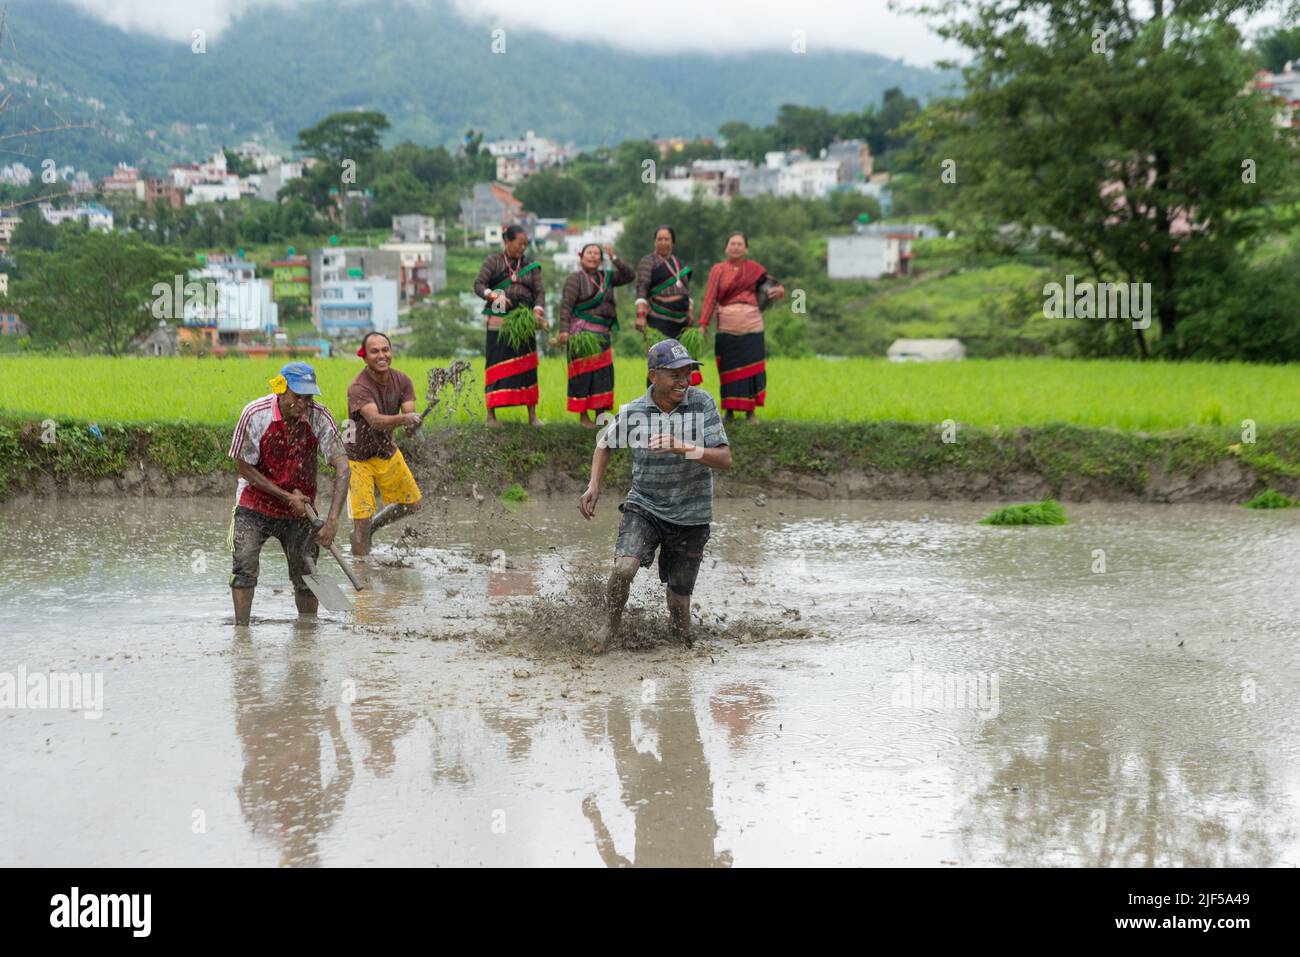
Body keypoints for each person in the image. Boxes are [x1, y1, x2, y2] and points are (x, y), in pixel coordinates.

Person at [578, 338, 731, 653]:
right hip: (645, 506)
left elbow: (725, 459)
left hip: (692, 515)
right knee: (623, 569)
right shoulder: (635, 412)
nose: (683, 381)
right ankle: (611, 624)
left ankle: (681, 654)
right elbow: (604, 444)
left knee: (678, 605)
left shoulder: (702, 404)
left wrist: (682, 447)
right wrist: (594, 485)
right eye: (674, 374)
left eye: (687, 372)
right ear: (653, 376)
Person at [228, 361, 349, 625]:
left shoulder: (320, 417)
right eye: (297, 397)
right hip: (255, 503)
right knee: (244, 567)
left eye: (308, 398)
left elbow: (343, 467)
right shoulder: (255, 414)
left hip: (301, 508)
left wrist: (331, 521)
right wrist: (285, 497)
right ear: (281, 389)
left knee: (306, 575)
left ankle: (307, 634)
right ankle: (242, 632)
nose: (303, 405)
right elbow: (244, 467)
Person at [345, 331, 424, 557]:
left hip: (386, 452)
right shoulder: (358, 387)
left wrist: (411, 426)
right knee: (361, 524)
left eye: (385, 350)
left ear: (391, 352)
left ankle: (374, 527)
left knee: (412, 504)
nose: (382, 355)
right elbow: (375, 421)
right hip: (357, 459)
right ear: (365, 357)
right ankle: (363, 579)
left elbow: (409, 412)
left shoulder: (403, 381)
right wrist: (404, 420)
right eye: (375, 351)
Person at [698, 231, 784, 422]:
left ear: (746, 248)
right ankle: (729, 411)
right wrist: (703, 324)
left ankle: (750, 412)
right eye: (732, 244)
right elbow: (710, 298)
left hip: (752, 325)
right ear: (726, 247)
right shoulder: (718, 270)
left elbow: (774, 286)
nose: (736, 247)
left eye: (739, 244)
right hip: (727, 326)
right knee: (728, 368)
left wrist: (779, 291)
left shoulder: (755, 269)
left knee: (752, 369)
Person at [474, 224, 548, 427]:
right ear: (507, 242)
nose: (523, 248)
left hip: (524, 320)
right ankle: (491, 417)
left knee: (527, 365)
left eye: (526, 244)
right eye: (519, 243)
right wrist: (493, 294)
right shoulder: (493, 261)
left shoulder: (531, 265)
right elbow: (479, 285)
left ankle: (532, 416)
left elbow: (539, 292)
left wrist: (537, 310)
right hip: (498, 316)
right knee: (496, 365)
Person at [558, 243, 635, 427]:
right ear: (581, 256)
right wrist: (563, 330)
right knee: (582, 375)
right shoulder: (574, 279)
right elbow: (566, 306)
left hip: (602, 334)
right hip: (580, 334)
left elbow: (630, 275)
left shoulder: (607, 277)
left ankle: (601, 414)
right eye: (589, 253)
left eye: (596, 254)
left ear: (601, 259)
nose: (592, 256)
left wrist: (614, 258)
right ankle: (583, 416)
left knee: (603, 375)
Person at [635, 225, 701, 387]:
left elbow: (687, 290)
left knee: (683, 362)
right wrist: (640, 315)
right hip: (659, 319)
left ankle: (683, 404)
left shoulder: (679, 264)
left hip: (682, 321)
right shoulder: (648, 261)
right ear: (654, 242)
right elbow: (642, 287)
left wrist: (690, 312)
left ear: (673, 242)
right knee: (660, 362)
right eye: (660, 239)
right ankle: (654, 404)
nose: (663, 243)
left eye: (667, 239)